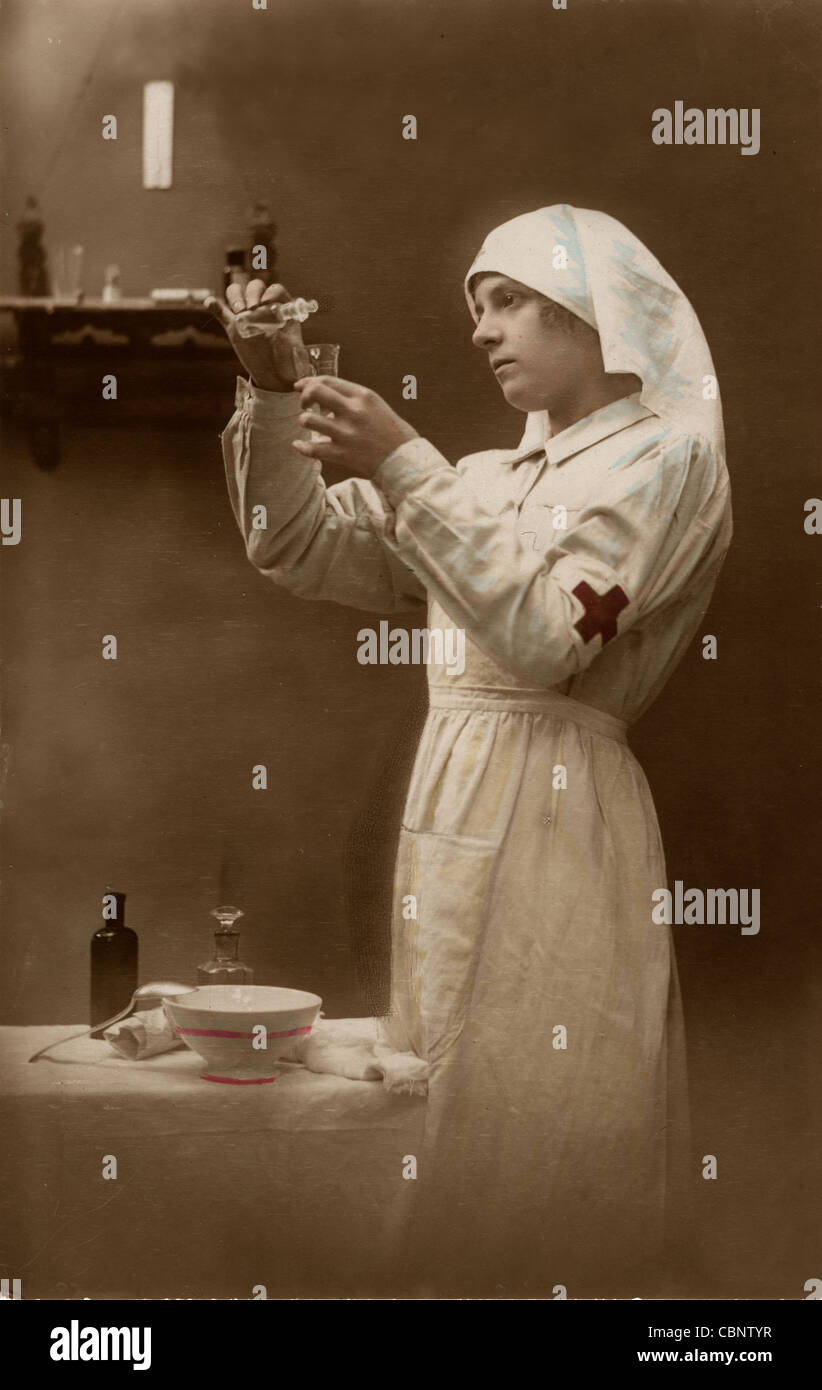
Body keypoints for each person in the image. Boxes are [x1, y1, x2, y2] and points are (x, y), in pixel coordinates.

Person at [208, 204, 732, 1297]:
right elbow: (294, 543)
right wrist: (267, 383)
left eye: (507, 300)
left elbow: (543, 638)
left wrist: (403, 460)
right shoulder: (485, 479)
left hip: (559, 816)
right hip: (451, 813)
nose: (481, 329)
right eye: (475, 309)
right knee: (445, 1110)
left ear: (592, 313)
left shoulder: (666, 462)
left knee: (552, 1118)